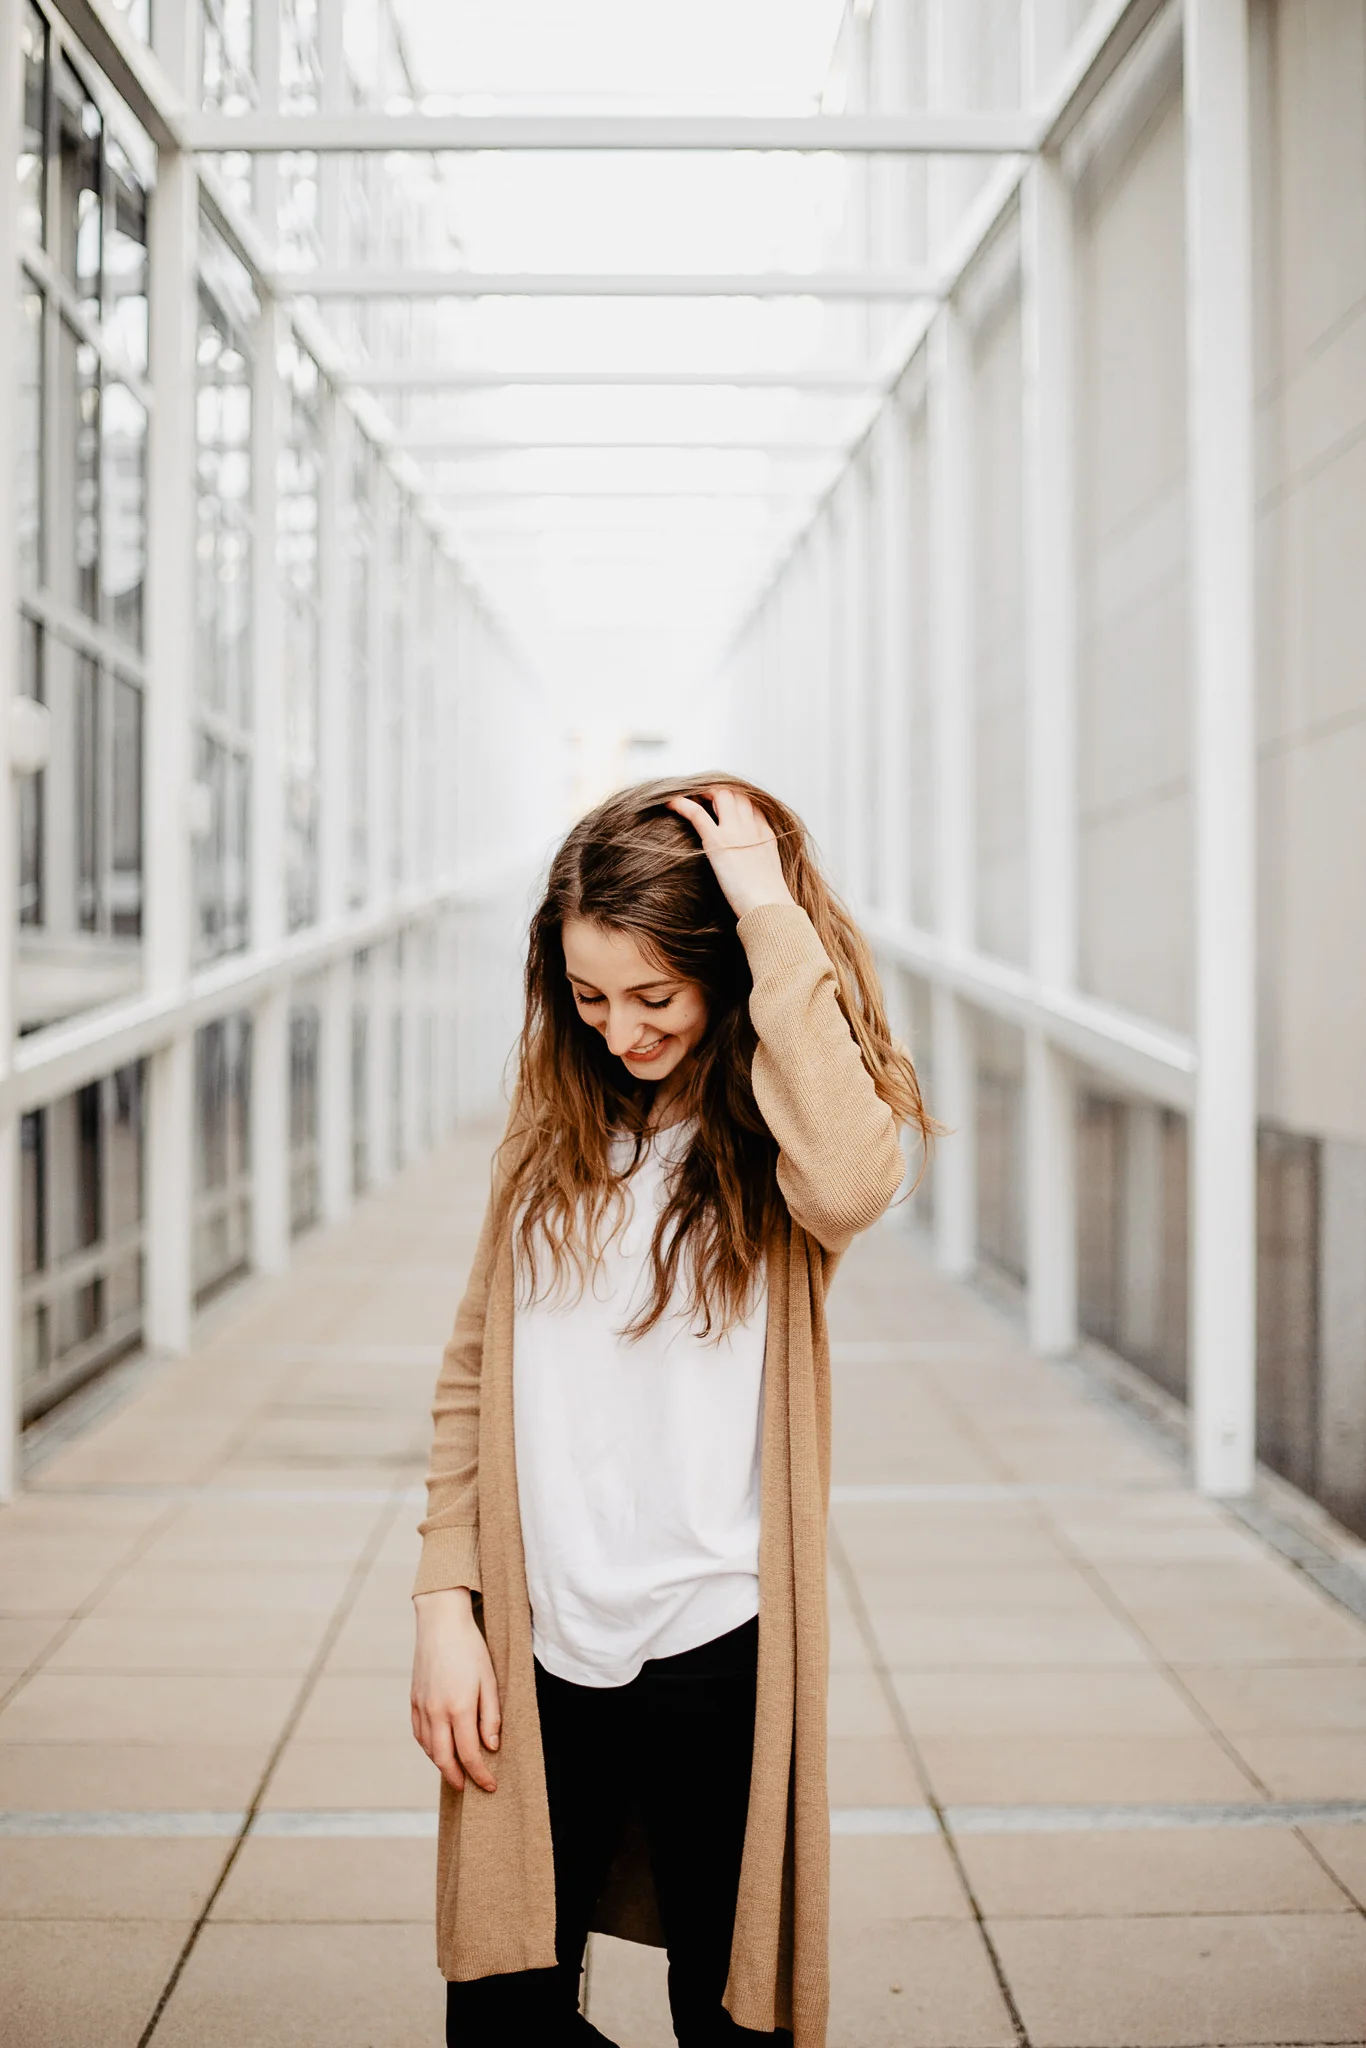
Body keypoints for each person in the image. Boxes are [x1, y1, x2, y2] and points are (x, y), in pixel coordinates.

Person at [410, 778, 932, 2047]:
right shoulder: (547, 1136)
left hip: (718, 1633)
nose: (622, 1030)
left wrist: (764, 904)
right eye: (590, 997)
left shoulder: (770, 1144)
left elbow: (861, 1177)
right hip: (540, 1637)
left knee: (728, 2007)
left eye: (656, 994)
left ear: (727, 970)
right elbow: (474, 1368)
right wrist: (442, 1604)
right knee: (501, 2006)